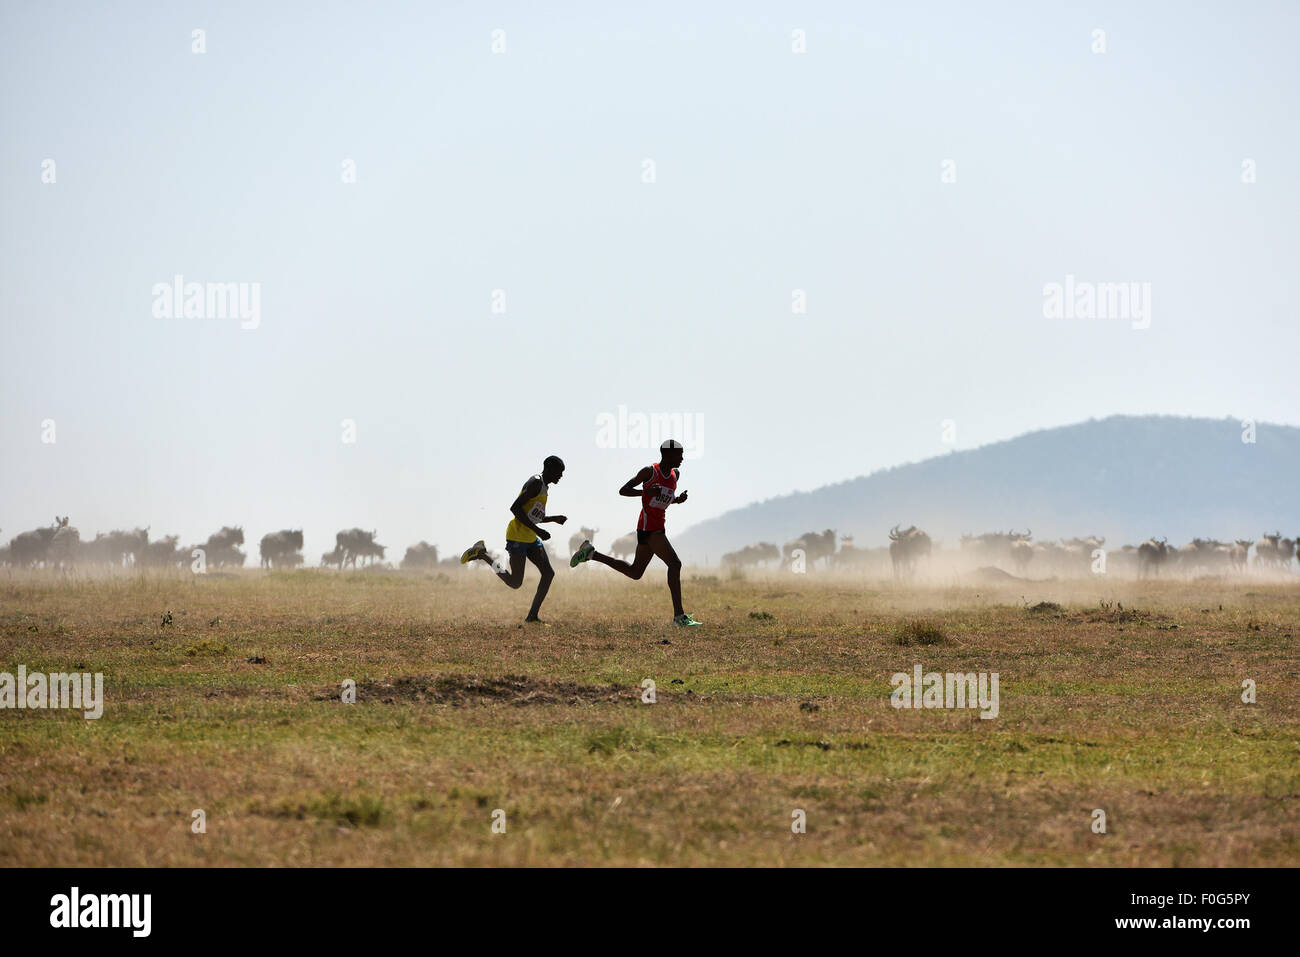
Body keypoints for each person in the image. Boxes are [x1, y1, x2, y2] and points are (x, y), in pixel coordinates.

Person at [570, 439, 701, 626]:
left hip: (656, 527)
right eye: (679, 454)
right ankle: (679, 617)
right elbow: (623, 490)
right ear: (668, 454)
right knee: (675, 563)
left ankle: (591, 553)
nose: (682, 457)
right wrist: (645, 492)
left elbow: (663, 498)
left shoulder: (675, 475)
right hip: (649, 528)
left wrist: (677, 500)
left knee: (635, 572)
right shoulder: (649, 472)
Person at [460, 455, 567, 623]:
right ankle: (482, 554)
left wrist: (553, 519)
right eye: (559, 472)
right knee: (515, 582)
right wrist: (538, 530)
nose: (561, 476)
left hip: (530, 537)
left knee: (548, 573)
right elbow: (515, 508)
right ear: (548, 468)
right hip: (517, 536)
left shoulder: (544, 487)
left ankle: (532, 616)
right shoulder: (536, 483)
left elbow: (533, 515)